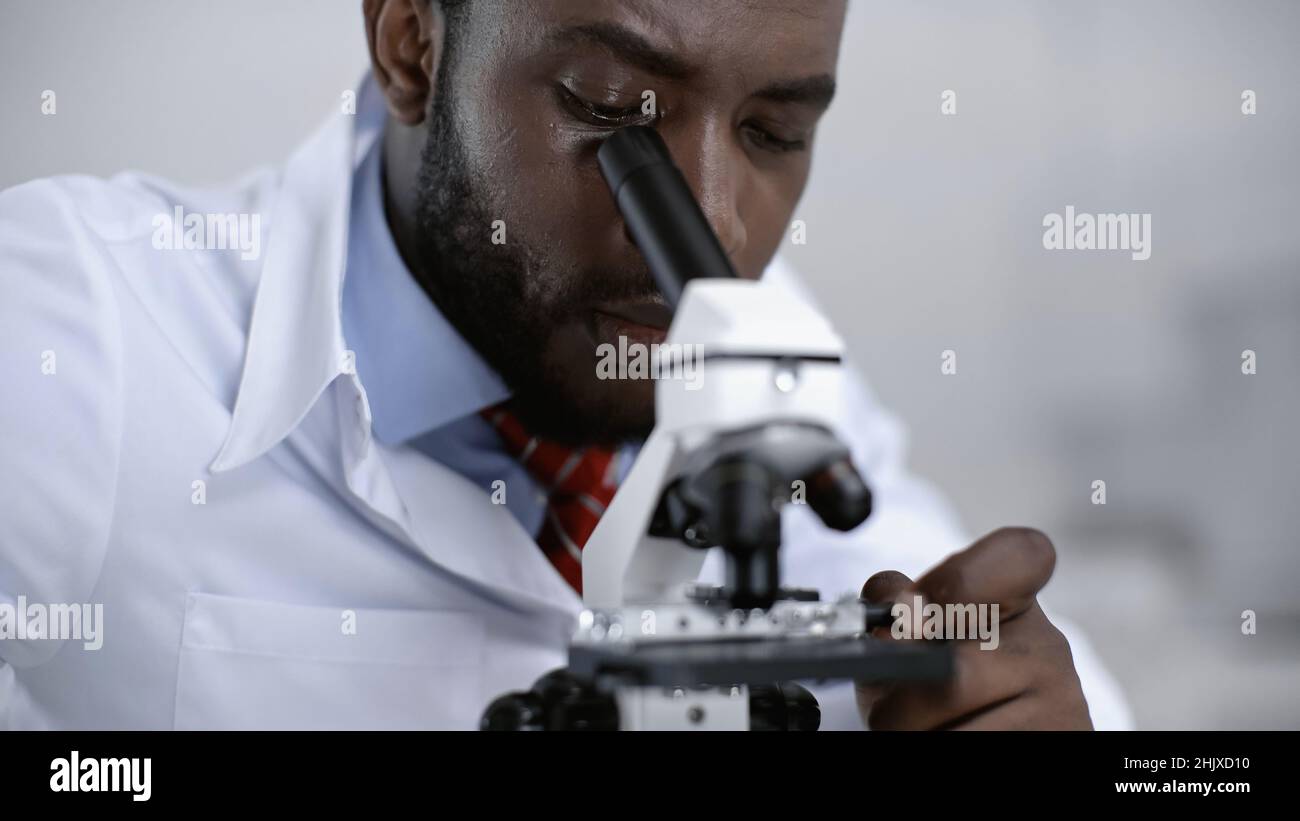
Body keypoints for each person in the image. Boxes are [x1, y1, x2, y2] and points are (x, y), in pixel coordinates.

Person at [0, 0, 1130, 730]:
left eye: (773, 134)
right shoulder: (81, 323)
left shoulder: (764, 343)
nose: (714, 232)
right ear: (414, 43)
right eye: (610, 111)